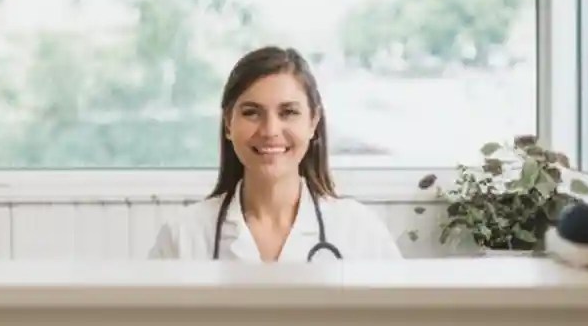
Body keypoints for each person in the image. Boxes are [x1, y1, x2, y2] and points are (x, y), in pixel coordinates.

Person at [150, 46, 402, 261]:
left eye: (288, 112)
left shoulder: (359, 231)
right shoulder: (182, 236)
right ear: (228, 124)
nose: (270, 130)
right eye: (251, 112)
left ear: (313, 122)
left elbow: (400, 318)